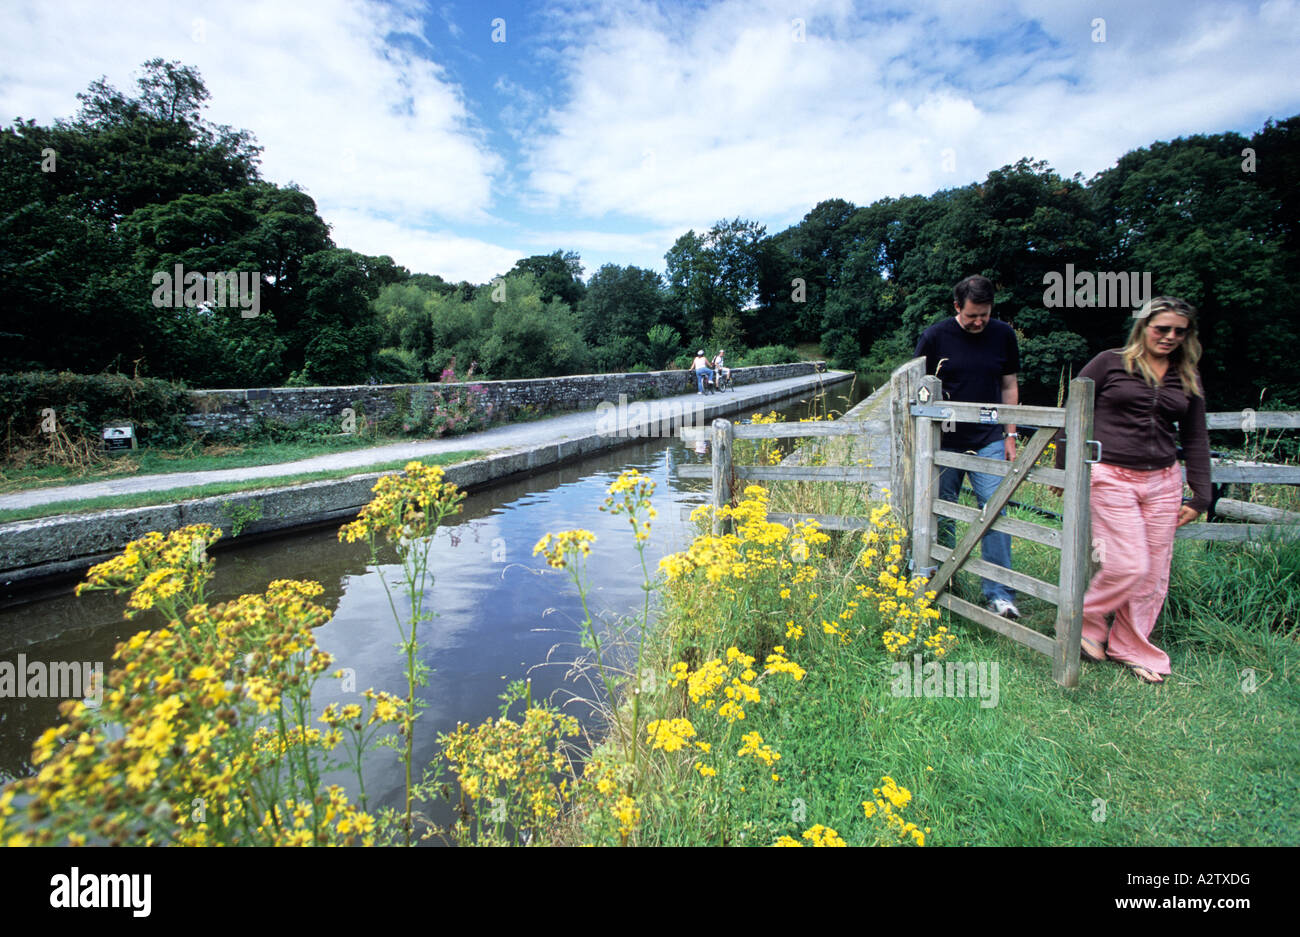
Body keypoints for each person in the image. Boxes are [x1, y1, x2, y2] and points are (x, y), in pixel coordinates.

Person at [1058, 296, 1211, 685]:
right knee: (1128, 564)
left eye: (1180, 331)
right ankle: (1082, 618)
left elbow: (1195, 437)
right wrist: (1064, 469)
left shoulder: (1186, 375)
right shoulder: (1110, 362)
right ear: (1143, 327)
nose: (1171, 337)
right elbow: (1074, 412)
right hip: (1110, 474)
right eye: (1162, 329)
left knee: (1153, 576)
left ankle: (1131, 645)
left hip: (1163, 481)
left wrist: (1202, 495)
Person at [915, 274, 1022, 618]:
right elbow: (917, 388)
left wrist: (1010, 434)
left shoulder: (1003, 335)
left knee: (994, 511)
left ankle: (999, 593)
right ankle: (945, 581)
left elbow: (1009, 385)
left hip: (989, 437)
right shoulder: (934, 336)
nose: (978, 322)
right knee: (942, 510)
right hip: (943, 440)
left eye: (985, 315)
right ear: (957, 307)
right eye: (972, 315)